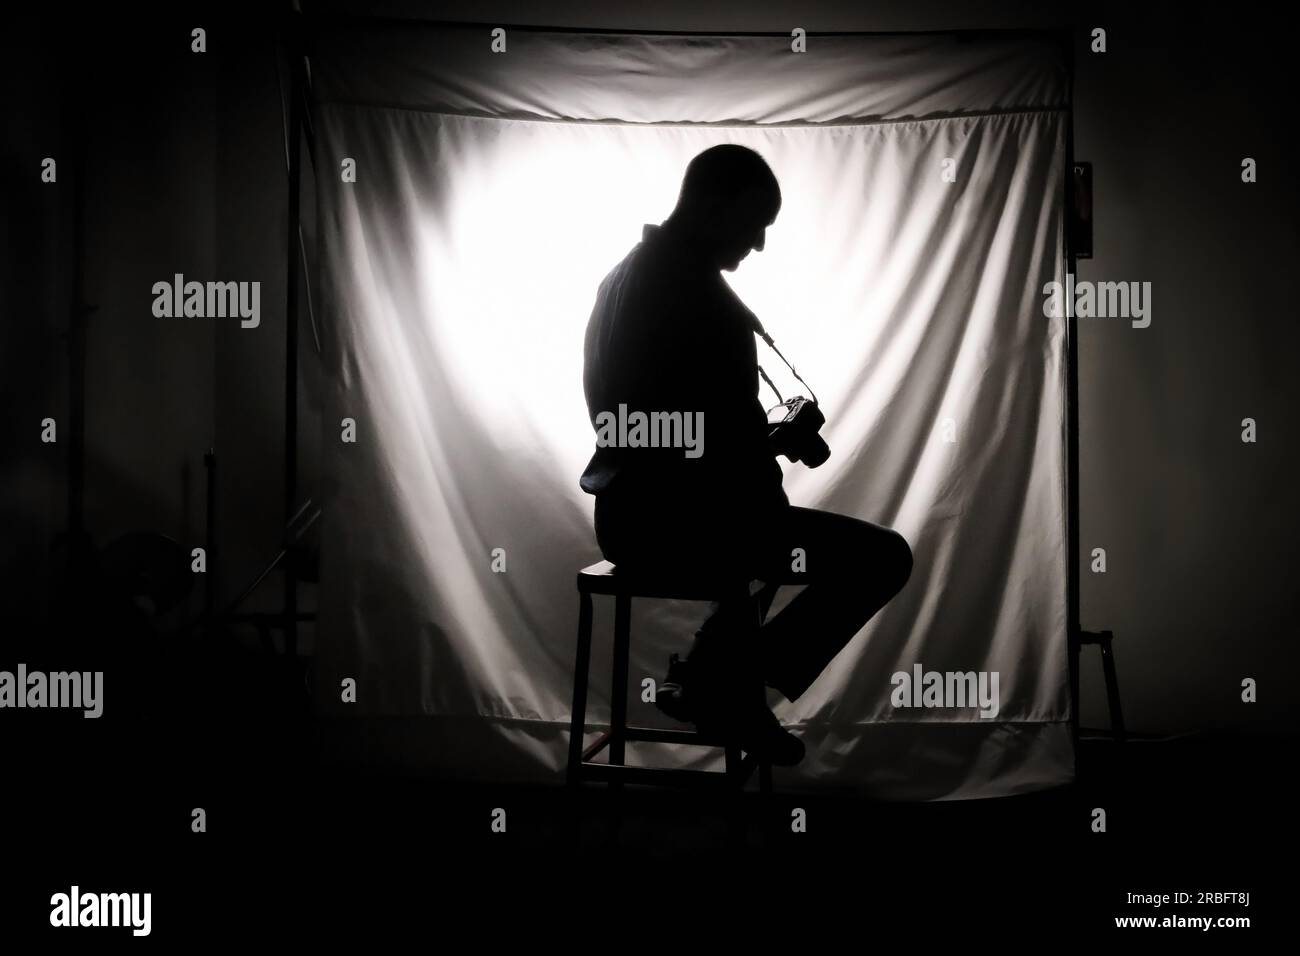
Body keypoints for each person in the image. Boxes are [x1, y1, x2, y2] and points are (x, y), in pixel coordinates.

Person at [579, 144, 912, 765]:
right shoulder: (697, 297)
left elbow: (650, 426)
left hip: (629, 519)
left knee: (760, 532)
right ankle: (722, 682)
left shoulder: (622, 278)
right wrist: (768, 462)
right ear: (713, 204)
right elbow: (717, 458)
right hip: (683, 527)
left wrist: (759, 450)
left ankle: (716, 673)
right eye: (755, 222)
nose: (758, 244)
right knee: (882, 557)